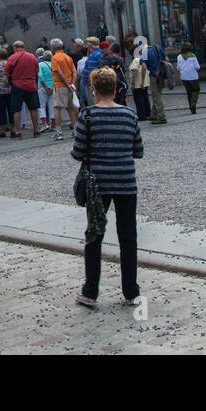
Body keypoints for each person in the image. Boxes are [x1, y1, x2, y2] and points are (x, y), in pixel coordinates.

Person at [72, 66, 143, 308]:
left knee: (94, 235)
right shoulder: (129, 114)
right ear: (115, 89)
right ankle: (131, 291)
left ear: (93, 89)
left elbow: (77, 152)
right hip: (125, 180)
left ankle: (90, 291)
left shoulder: (88, 115)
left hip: (98, 184)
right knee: (128, 236)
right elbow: (138, 151)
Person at [4, 40, 44, 136]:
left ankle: (18, 131)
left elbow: (6, 71)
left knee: (16, 109)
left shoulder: (12, 57)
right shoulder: (32, 56)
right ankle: (36, 129)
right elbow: (37, 69)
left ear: (15, 48)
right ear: (24, 47)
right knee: (33, 108)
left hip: (17, 85)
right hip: (31, 85)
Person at [49, 39, 79, 139]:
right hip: (70, 85)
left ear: (53, 47)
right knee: (70, 107)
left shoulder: (54, 58)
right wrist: (72, 84)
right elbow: (74, 72)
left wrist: (67, 84)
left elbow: (59, 72)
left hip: (60, 85)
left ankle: (59, 132)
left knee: (57, 107)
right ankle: (75, 130)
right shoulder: (68, 57)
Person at [177, 42, 201, 114]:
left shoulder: (179, 56)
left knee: (189, 92)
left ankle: (191, 107)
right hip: (193, 76)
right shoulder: (193, 56)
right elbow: (197, 67)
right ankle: (193, 104)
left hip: (184, 76)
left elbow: (178, 68)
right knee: (196, 90)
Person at [129, 44, 151, 120]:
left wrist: (132, 83)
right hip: (145, 82)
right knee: (145, 98)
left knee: (139, 100)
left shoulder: (135, 60)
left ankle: (141, 115)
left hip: (138, 83)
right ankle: (148, 113)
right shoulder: (143, 59)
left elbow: (134, 71)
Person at [36, 48, 55, 132]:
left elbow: (40, 76)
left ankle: (44, 124)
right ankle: (54, 124)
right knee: (52, 105)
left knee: (42, 106)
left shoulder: (40, 64)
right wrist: (52, 86)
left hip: (42, 87)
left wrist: (45, 86)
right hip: (53, 87)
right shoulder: (54, 64)